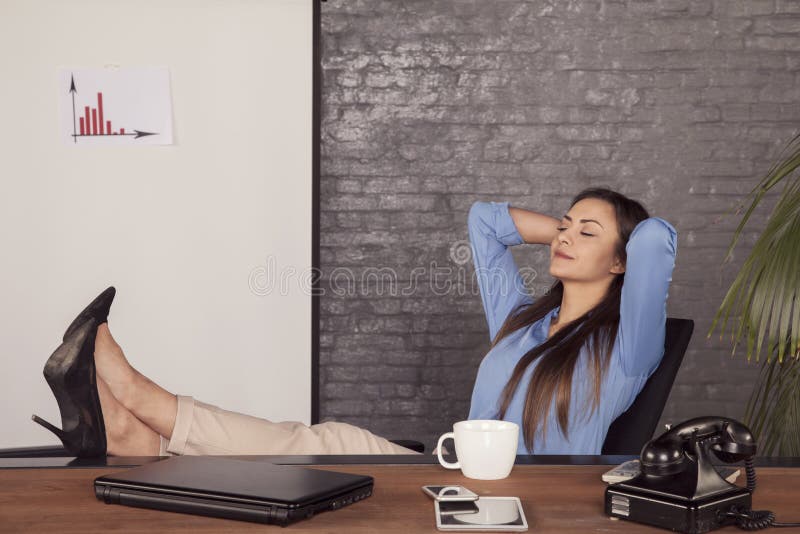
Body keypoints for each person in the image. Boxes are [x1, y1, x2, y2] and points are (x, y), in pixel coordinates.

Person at [32, 187, 675, 457]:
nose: (565, 236)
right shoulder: (520, 321)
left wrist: (614, 231)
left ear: (622, 262)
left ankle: (137, 406)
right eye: (564, 224)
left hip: (523, 509)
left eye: (586, 232)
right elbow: (485, 221)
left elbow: (655, 239)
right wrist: (568, 229)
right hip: (452, 481)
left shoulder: (628, 350)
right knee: (324, 442)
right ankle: (135, 434)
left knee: (321, 447)